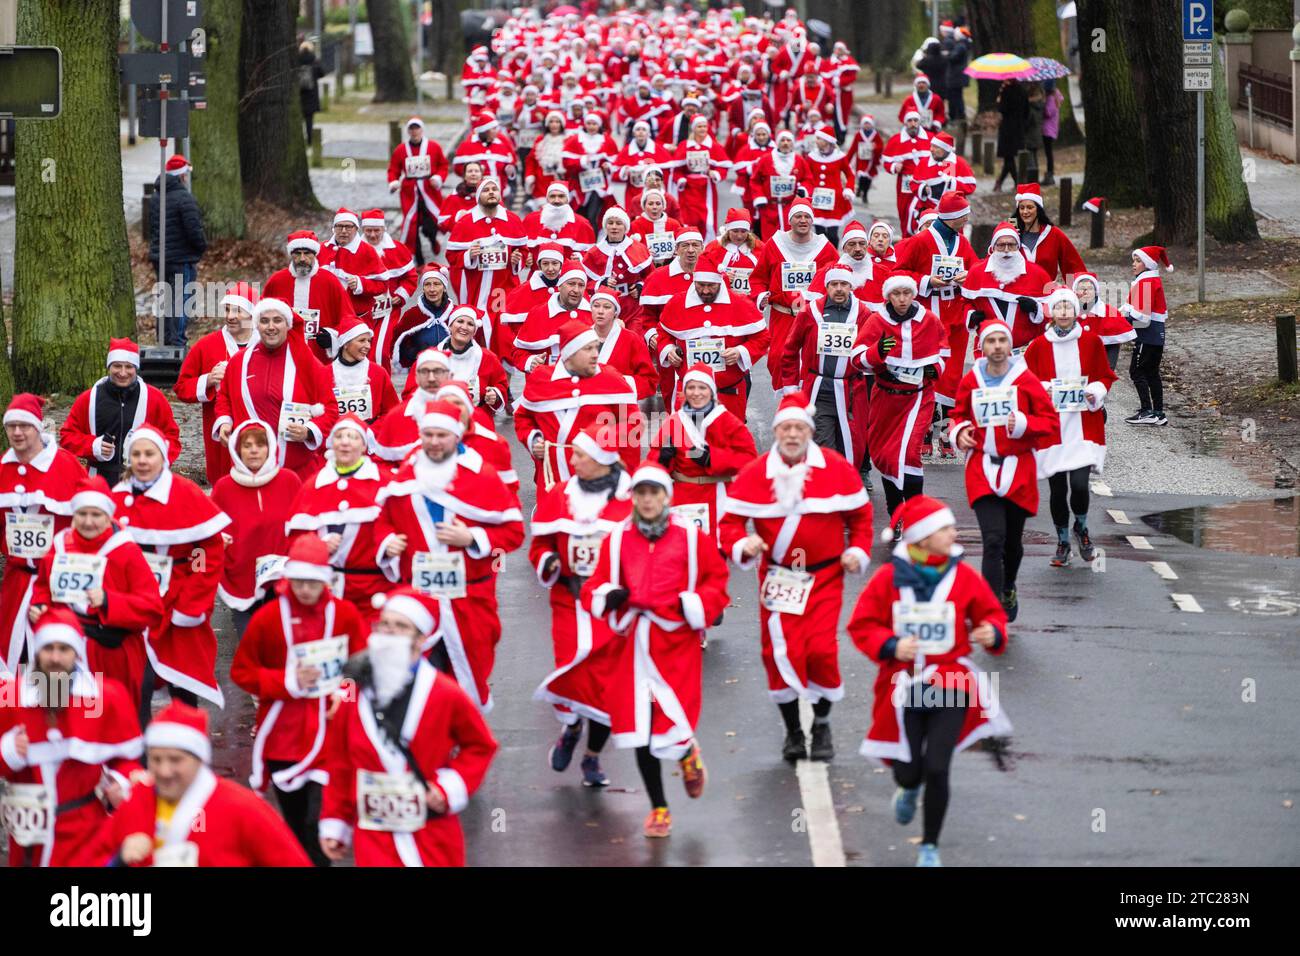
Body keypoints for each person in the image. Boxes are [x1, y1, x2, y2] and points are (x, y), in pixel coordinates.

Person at [847, 494, 1011, 867]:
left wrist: (992, 633)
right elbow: (861, 626)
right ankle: (907, 787)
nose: (955, 532)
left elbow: (991, 615)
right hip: (902, 684)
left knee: (938, 766)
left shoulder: (963, 576)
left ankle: (929, 846)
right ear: (922, 538)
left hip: (950, 682)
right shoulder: (889, 577)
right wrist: (891, 644)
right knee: (908, 770)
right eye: (946, 528)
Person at [719, 395, 872, 762]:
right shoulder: (757, 472)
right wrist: (744, 542)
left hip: (825, 577)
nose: (791, 434)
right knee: (779, 652)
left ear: (808, 431)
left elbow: (861, 519)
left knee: (820, 650)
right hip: (778, 579)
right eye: (785, 428)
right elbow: (729, 523)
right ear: (776, 433)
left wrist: (858, 552)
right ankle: (792, 731)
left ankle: (821, 724)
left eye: (798, 428)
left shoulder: (835, 468)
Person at [581, 463, 729, 838]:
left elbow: (716, 583)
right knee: (639, 728)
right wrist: (606, 596)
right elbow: (594, 586)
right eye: (641, 493)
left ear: (667, 496)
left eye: (654, 493)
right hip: (631, 643)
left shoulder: (691, 538)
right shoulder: (617, 538)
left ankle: (686, 753)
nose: (647, 500)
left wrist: (690, 605)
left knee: (673, 718)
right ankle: (659, 808)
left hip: (674, 642)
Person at [320, 587, 499, 867]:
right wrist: (336, 820)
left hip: (430, 834)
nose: (389, 633)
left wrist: (448, 787)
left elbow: (481, 745)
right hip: (374, 835)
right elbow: (340, 761)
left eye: (401, 626)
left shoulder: (445, 693)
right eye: (385, 625)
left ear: (420, 639)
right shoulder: (355, 693)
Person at [374, 402, 525, 711]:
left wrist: (472, 538)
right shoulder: (407, 471)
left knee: (470, 668)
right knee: (421, 677)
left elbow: (513, 532)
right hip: (419, 594)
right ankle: (432, 739)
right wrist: (387, 542)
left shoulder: (481, 475)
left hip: (469, 596)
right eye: (427, 434)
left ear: (456, 436)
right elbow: (383, 520)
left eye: (441, 435)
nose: (433, 441)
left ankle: (464, 732)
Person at [230, 536, 366, 865]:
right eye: (299, 582)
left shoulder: (345, 615)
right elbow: (242, 673)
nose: (305, 590)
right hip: (282, 736)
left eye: (313, 583)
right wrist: (287, 682)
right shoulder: (268, 618)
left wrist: (344, 696)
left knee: (316, 823)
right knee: (294, 826)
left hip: (330, 735)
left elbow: (361, 667)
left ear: (326, 581)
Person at [75, 701, 311, 867]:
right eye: (156, 760)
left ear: (200, 760)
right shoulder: (138, 802)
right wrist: (120, 861)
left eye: (176, 760)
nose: (165, 771)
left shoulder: (242, 807)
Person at [0, 609, 143, 867]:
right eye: (48, 649)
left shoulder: (106, 697)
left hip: (84, 832)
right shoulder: (11, 698)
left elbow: (129, 760)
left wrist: (121, 783)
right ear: (37, 652)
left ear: (76, 653)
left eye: (64, 649)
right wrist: (8, 750)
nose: (55, 658)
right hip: (28, 837)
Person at [530, 426, 631, 787]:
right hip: (569, 601)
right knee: (571, 668)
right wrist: (550, 564)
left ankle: (592, 757)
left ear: (602, 461)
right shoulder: (559, 495)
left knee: (607, 682)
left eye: (580, 456)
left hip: (612, 606)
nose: (571, 461)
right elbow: (540, 544)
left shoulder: (628, 498)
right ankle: (571, 726)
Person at [111, 427, 229, 713]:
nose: (142, 460)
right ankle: (137, 750)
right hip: (132, 603)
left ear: (162, 458)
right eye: (136, 454)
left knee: (182, 678)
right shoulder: (117, 496)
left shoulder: (185, 493)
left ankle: (186, 743)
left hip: (177, 598)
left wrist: (192, 602)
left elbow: (205, 552)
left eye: (149, 454)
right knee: (137, 681)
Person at [948, 320, 1059, 621]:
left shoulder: (1025, 380)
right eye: (991, 341)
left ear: (1010, 346)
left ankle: (1008, 585)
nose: (997, 346)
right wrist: (959, 433)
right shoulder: (971, 380)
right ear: (981, 347)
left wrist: (1024, 424)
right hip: (982, 467)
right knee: (993, 539)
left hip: (1018, 468)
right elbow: (957, 415)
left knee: (1012, 543)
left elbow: (1050, 423)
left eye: (1002, 341)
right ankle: (988, 608)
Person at [29, 476, 163, 713]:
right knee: (58, 717)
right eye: (82, 514)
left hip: (109, 652)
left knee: (109, 721)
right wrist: (39, 605)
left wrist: (109, 601)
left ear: (108, 516)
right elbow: (42, 586)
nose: (88, 522)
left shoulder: (126, 551)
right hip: (63, 652)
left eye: (96, 515)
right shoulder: (60, 544)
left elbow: (152, 608)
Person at [1024, 288, 1116, 567]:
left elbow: (1104, 376)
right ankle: (1063, 540)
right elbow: (1027, 380)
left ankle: (1082, 527)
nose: (1064, 312)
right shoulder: (1039, 345)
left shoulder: (1091, 342)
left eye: (1068, 307)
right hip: (1052, 427)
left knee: (1078, 484)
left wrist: (1095, 392)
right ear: (1052, 312)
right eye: (1059, 307)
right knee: (1056, 489)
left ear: (1076, 310)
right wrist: (1045, 389)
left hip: (1083, 425)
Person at [0, 394, 86, 674]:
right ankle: (14, 716)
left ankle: (56, 716)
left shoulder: (65, 465)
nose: (16, 432)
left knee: (55, 656)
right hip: (17, 580)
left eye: (23, 426)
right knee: (11, 655)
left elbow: (92, 520)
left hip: (59, 580)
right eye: (10, 426)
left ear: (38, 428)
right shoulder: (3, 467)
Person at [213, 298, 338, 479]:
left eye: (277, 320)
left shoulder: (308, 364)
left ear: (288, 325)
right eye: (264, 321)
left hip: (296, 469)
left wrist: (309, 431)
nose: (271, 327)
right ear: (257, 325)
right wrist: (225, 421)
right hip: (250, 468)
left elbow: (330, 408)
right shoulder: (239, 362)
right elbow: (224, 396)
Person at [286, 414, 393, 618]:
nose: (345, 442)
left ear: (364, 445)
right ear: (331, 444)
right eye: (339, 436)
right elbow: (294, 539)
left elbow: (401, 529)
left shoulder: (385, 484)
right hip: (326, 590)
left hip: (376, 590)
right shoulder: (313, 486)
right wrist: (316, 547)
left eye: (352, 437)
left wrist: (389, 546)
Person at [514, 321, 642, 491]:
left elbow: (634, 424)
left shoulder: (611, 378)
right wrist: (533, 439)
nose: (596, 354)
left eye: (596, 348)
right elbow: (523, 417)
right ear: (569, 354)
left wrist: (599, 442)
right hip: (554, 476)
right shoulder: (541, 379)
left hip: (598, 474)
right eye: (588, 349)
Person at [651, 363, 758, 548]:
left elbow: (749, 459)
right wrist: (662, 460)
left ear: (711, 391)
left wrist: (713, 458)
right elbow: (651, 465)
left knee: (715, 556)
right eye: (691, 387)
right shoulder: (675, 422)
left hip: (718, 495)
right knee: (684, 554)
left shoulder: (726, 421)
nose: (696, 393)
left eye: (702, 387)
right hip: (684, 496)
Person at [210, 420, 301, 633]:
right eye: (247, 445)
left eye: (260, 445)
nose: (253, 451)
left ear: (270, 448)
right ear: (237, 449)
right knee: (249, 639)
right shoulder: (225, 487)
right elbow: (210, 529)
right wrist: (219, 542)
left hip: (282, 574)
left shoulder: (289, 480)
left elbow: (303, 521)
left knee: (280, 639)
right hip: (241, 573)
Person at [782, 269, 873, 480]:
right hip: (819, 390)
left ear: (851, 287)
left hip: (852, 391)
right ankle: (827, 489)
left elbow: (872, 349)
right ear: (827, 287)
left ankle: (847, 488)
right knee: (822, 443)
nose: (839, 289)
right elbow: (790, 349)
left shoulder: (864, 314)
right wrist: (790, 385)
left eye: (844, 284)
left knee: (852, 444)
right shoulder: (810, 311)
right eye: (834, 284)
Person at [59, 339, 181, 487]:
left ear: (136, 368)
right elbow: (67, 436)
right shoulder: (88, 398)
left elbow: (171, 438)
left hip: (143, 480)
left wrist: (154, 459)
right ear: (109, 367)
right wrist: (93, 446)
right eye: (117, 366)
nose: (123, 373)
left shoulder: (155, 399)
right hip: (98, 481)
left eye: (129, 367)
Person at [655, 270, 770, 421]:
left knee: (731, 440)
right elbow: (663, 333)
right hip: (689, 392)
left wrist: (740, 352)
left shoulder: (740, 302)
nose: (705, 291)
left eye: (711, 286)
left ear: (720, 282)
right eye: (700, 285)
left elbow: (762, 337)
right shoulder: (677, 302)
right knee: (687, 440)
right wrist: (669, 350)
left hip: (729, 392)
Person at [174, 283, 260, 485]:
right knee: (224, 485)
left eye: (238, 310)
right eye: (228, 309)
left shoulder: (265, 345)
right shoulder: (207, 345)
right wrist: (209, 380)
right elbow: (181, 388)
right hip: (221, 434)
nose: (230, 316)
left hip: (259, 429)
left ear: (252, 314)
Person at [750, 200, 838, 392]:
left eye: (807, 217)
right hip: (783, 316)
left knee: (811, 362)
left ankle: (809, 406)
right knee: (777, 359)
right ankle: (787, 405)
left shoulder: (824, 247)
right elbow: (757, 278)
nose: (803, 220)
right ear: (790, 220)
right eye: (798, 216)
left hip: (814, 317)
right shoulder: (775, 244)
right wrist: (760, 296)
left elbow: (837, 276)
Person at [262, 230, 358, 363]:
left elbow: (348, 318)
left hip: (320, 356)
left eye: (307, 253)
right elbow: (261, 317)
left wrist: (332, 337)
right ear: (291, 255)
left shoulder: (330, 281)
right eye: (297, 253)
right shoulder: (277, 281)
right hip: (283, 354)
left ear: (315, 254)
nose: (302, 258)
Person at [961, 223, 1052, 354]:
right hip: (987, 351)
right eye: (1001, 245)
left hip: (1026, 353)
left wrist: (1036, 308)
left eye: (1011, 245)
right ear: (993, 247)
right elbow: (964, 302)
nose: (1006, 250)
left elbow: (1053, 309)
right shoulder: (976, 272)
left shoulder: (1038, 274)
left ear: (1018, 247)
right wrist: (971, 315)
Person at [147, 155, 207, 348]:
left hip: (161, 258)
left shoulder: (156, 197)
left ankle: (163, 339)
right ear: (182, 176)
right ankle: (178, 341)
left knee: (164, 299)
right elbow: (194, 230)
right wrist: (201, 247)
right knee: (181, 300)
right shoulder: (184, 198)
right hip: (182, 258)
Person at [445, 176, 527, 317]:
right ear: (478, 196)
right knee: (478, 325)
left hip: (504, 286)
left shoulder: (512, 220)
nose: (491, 192)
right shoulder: (466, 222)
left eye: (494, 189)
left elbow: (523, 250)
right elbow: (451, 255)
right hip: (475, 287)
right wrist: (468, 256)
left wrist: (517, 260)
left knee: (501, 327)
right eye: (486, 190)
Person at [1121, 246, 1173, 427]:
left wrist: (1120, 322)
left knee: (1137, 371)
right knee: (1152, 373)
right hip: (1156, 335)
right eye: (1133, 261)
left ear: (1148, 264)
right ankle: (1158, 412)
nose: (1133, 264)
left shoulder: (1146, 283)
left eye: (1137, 261)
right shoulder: (1147, 281)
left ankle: (1146, 411)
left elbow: (1141, 316)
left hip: (1147, 336)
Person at [509, 263, 592, 372]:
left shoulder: (592, 314)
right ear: (560, 285)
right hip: (545, 383)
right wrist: (531, 361)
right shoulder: (538, 313)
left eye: (581, 285)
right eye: (571, 284)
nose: (576, 290)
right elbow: (517, 351)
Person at [388, 122, 452, 263]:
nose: (414, 131)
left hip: (429, 190)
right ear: (408, 131)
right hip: (410, 192)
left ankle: (433, 239)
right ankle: (419, 260)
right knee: (412, 226)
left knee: (432, 222)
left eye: (417, 128)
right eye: (411, 129)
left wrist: (438, 177)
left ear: (422, 130)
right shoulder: (400, 150)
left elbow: (443, 165)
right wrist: (393, 182)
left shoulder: (433, 147)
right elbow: (393, 168)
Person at [669, 114, 731, 243]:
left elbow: (723, 166)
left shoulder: (714, 146)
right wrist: (680, 179)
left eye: (704, 126)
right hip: (687, 189)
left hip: (706, 189)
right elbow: (676, 169)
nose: (703, 129)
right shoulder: (684, 145)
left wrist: (715, 174)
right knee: (687, 218)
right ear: (694, 128)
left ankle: (707, 244)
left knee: (706, 219)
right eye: (699, 126)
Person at [588, 289, 659, 400]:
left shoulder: (632, 339)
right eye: (596, 306)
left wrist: (618, 384)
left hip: (621, 408)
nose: (600, 311)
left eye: (607, 307)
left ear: (616, 312)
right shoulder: (580, 338)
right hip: (586, 407)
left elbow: (650, 380)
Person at [1011, 183, 1086, 286]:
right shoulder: (1011, 234)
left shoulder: (1054, 234)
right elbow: (995, 260)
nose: (1025, 211)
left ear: (1038, 209)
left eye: (1029, 207)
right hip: (1017, 294)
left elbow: (1071, 266)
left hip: (1047, 293)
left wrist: (1075, 291)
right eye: (1021, 208)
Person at [329, 318, 400, 426]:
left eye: (369, 341)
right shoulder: (326, 373)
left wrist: (371, 432)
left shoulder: (379, 373)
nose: (368, 346)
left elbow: (392, 411)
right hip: (336, 439)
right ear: (345, 344)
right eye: (362, 340)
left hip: (370, 438)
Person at [387, 265, 456, 374]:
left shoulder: (456, 313)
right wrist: (413, 353)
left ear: (444, 287)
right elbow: (395, 342)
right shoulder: (412, 314)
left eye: (437, 284)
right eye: (427, 284)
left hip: (452, 369)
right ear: (423, 288)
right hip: (422, 370)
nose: (432, 289)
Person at [881, 112, 932, 235]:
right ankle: (907, 240)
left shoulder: (930, 138)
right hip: (906, 183)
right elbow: (886, 161)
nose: (913, 124)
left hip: (925, 183)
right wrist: (894, 167)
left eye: (915, 120)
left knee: (926, 211)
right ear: (905, 122)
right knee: (905, 211)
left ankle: (923, 238)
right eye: (910, 121)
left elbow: (943, 158)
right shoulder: (896, 140)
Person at [1073, 272, 1135, 370]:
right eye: (1081, 288)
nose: (1085, 291)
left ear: (1095, 291)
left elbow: (1113, 348)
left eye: (1089, 288)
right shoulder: (1069, 312)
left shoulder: (1109, 313)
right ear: (1075, 291)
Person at [522, 181, 597, 257]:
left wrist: (579, 257)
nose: (556, 200)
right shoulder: (531, 220)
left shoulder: (582, 223)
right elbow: (521, 250)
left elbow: (590, 254)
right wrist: (525, 258)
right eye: (552, 196)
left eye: (561, 196)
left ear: (567, 199)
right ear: (547, 199)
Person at [993, 80, 1028, 193]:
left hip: (1007, 128)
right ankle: (1008, 182)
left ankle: (1007, 182)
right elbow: (1027, 111)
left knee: (1008, 157)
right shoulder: (1023, 91)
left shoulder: (1006, 91)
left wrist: (999, 98)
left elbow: (1002, 109)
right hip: (1018, 128)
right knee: (1010, 157)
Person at [847, 114, 883, 204]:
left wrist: (875, 147)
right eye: (865, 124)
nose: (867, 126)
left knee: (868, 180)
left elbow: (881, 146)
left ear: (872, 125)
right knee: (862, 177)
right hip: (861, 161)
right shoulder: (859, 135)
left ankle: (865, 194)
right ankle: (860, 188)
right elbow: (853, 148)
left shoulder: (875, 135)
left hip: (871, 161)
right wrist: (847, 160)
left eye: (869, 124)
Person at [298, 41, 325, 148]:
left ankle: (299, 141)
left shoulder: (296, 60)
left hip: (299, 94)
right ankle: (309, 140)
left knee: (298, 119)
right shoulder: (314, 60)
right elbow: (322, 73)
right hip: (311, 94)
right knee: (309, 120)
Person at [1040, 80, 1063, 186]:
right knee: (1049, 153)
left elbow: (1048, 112)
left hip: (1048, 129)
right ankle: (1050, 173)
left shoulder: (1050, 98)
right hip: (1053, 128)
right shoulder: (1057, 95)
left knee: (1048, 153)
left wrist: (1043, 103)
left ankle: (1050, 174)